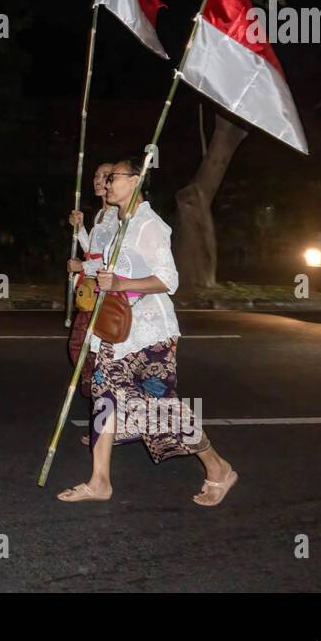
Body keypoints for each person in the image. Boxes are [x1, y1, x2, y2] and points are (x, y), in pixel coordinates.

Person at [59, 156, 238, 506]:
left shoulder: (148, 225)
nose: (107, 182)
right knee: (104, 399)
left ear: (136, 181)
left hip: (150, 333)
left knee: (158, 410)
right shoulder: (122, 224)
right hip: (115, 331)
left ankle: (218, 468)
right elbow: (109, 267)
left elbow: (168, 280)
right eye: (106, 177)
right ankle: (99, 482)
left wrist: (120, 283)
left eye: (114, 177)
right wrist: (87, 268)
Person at [67, 161, 118, 443]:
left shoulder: (118, 217)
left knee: (90, 354)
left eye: (106, 176)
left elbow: (111, 261)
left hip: (105, 294)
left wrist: (82, 268)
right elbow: (92, 252)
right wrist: (80, 228)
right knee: (85, 353)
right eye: (97, 176)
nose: (99, 180)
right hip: (92, 290)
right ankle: (102, 419)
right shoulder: (100, 214)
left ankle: (103, 424)